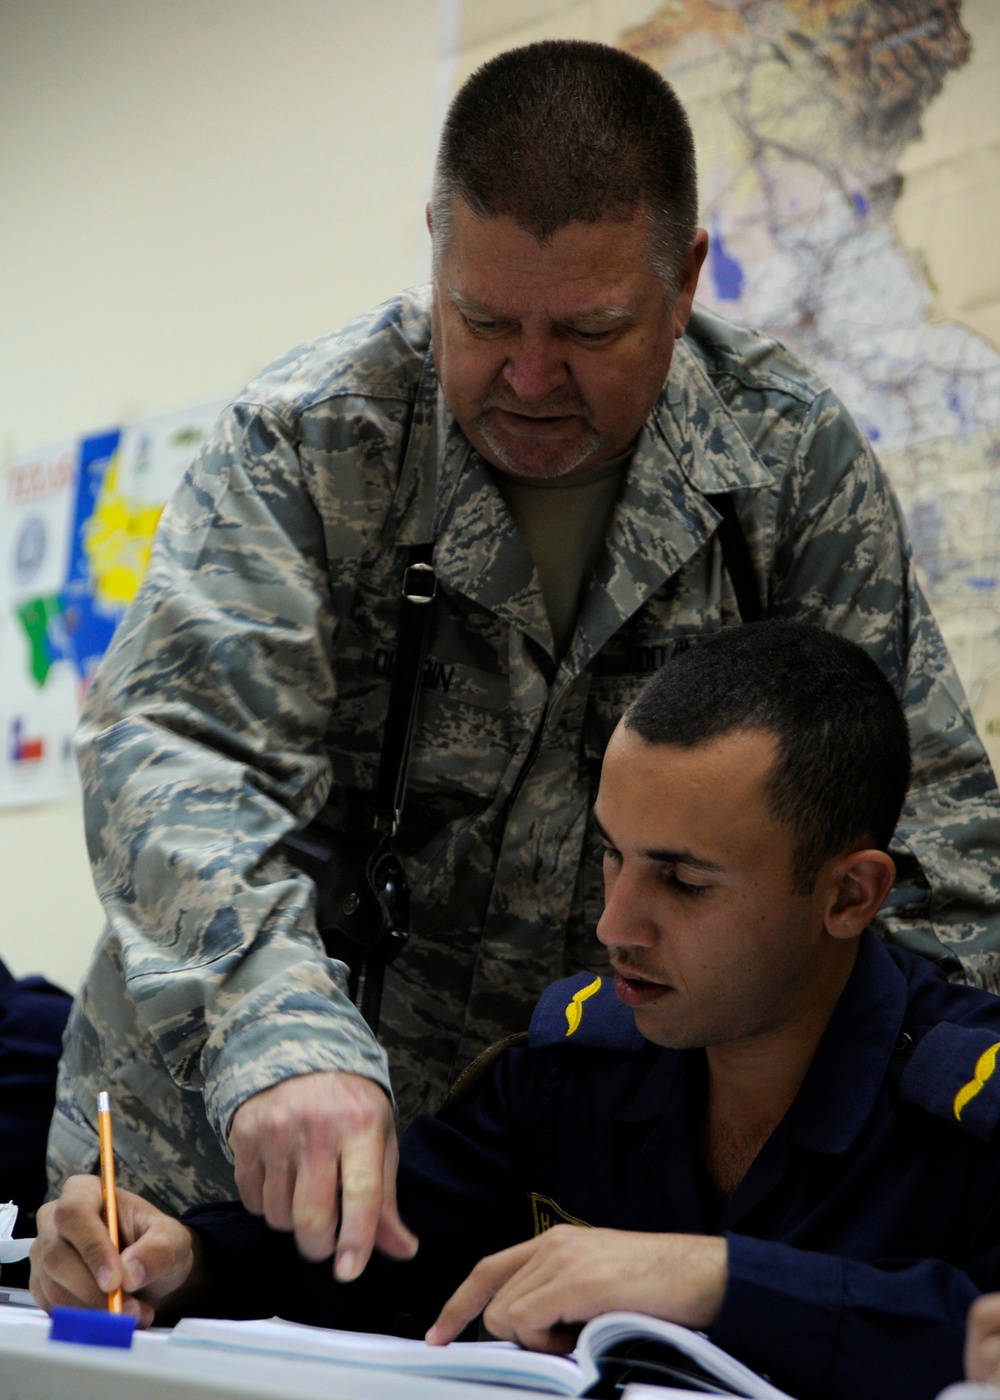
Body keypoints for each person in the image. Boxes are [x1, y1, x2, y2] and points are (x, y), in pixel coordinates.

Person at [51, 40, 1000, 1291]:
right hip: (242, 1153)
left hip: (586, 1189)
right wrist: (278, 1027)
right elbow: (177, 755)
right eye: (484, 318)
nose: (531, 375)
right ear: (435, 243)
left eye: (591, 329)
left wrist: (845, 1221)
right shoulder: (312, 436)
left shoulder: (787, 464)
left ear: (685, 280)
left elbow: (925, 845)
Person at [33, 623, 1000, 1400]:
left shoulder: (967, 1102)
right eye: (615, 855)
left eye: (684, 882)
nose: (615, 922)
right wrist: (186, 1258)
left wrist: (716, 1278)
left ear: (849, 896)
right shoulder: (580, 1067)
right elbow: (387, 1255)